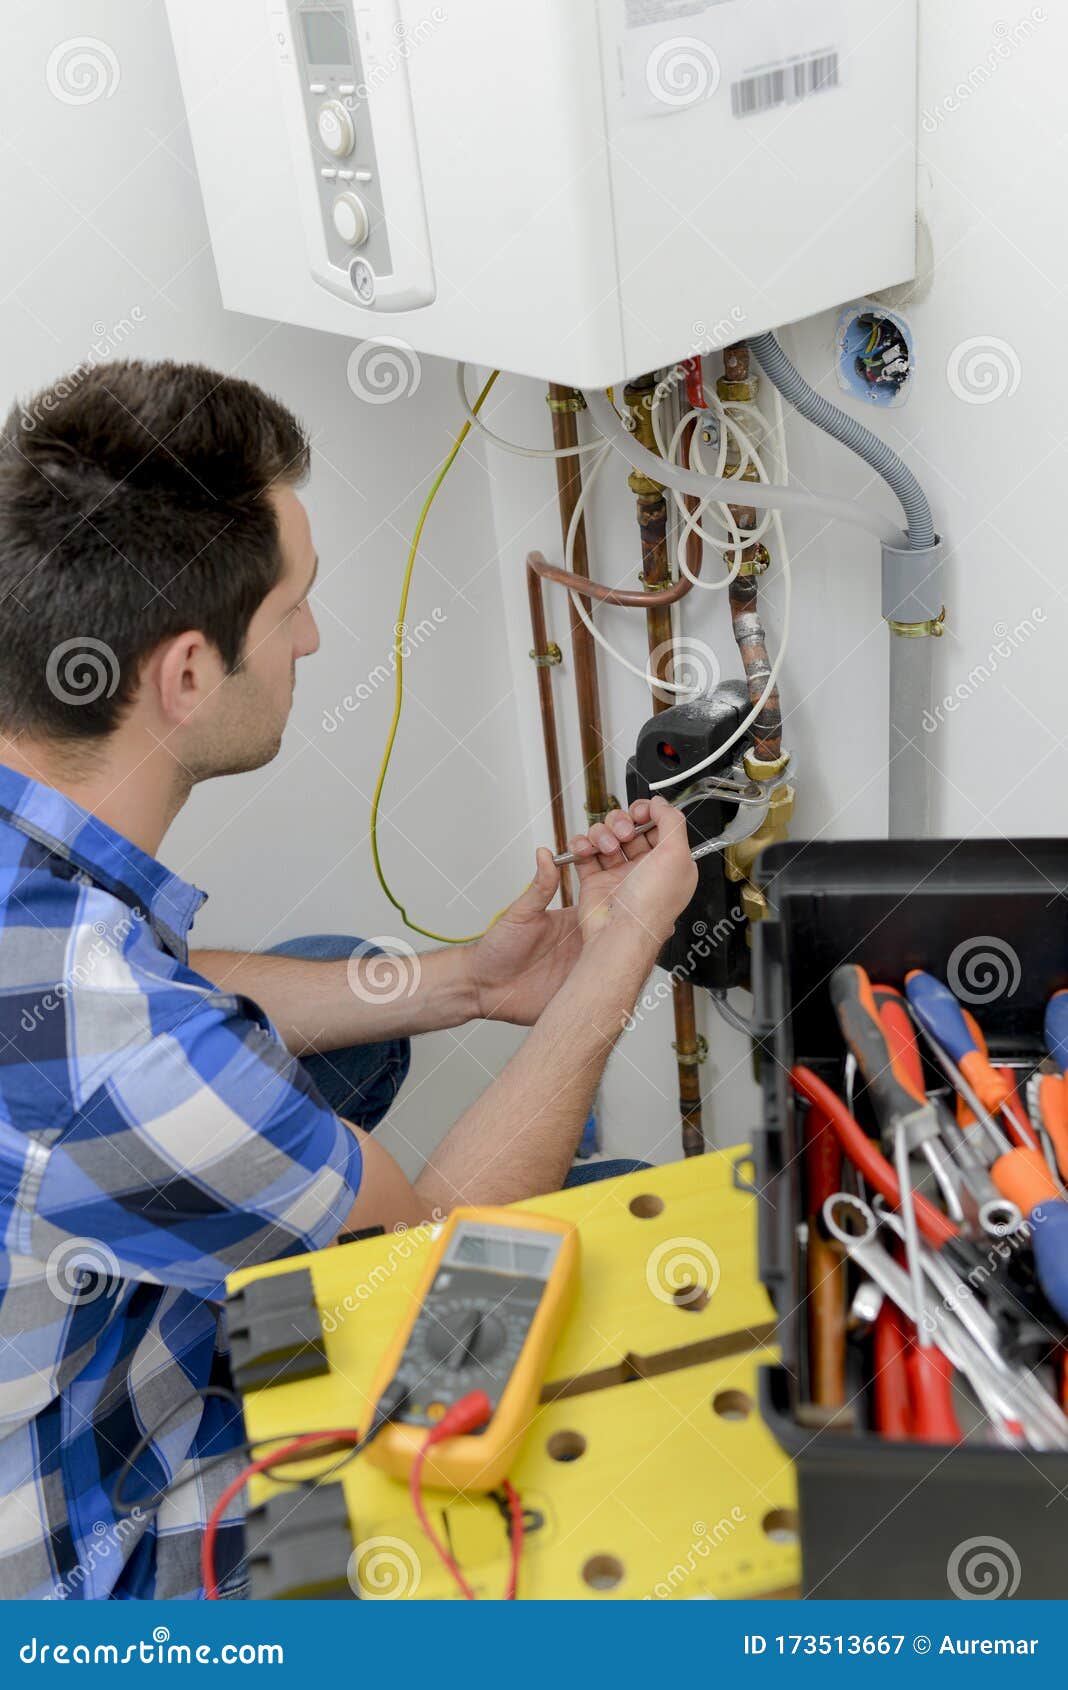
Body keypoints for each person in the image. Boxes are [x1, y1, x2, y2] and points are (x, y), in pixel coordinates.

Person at [0, 360, 697, 1598]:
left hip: (89, 1336)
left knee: (346, 997)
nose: (314, 636)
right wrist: (619, 957)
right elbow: (434, 1274)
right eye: (291, 609)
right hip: (96, 1549)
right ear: (186, 676)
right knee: (590, 1241)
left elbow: (147, 978)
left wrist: (469, 986)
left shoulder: (41, 880)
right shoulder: (126, 1063)